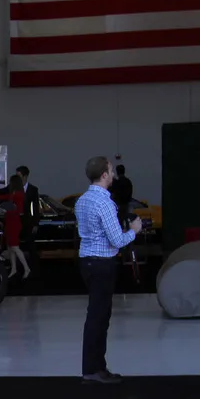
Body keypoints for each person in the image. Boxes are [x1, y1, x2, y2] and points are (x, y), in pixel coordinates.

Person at [75, 156, 143, 384]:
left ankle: (94, 368)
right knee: (99, 317)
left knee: (95, 316)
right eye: (111, 170)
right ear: (104, 175)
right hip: (102, 263)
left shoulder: (82, 200)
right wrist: (134, 230)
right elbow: (116, 240)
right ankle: (95, 370)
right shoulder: (104, 202)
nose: (114, 174)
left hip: (87, 262)